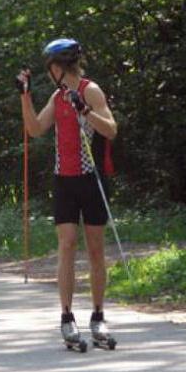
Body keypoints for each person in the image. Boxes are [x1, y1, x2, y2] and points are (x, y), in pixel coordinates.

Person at [16, 39, 118, 348]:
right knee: (67, 244)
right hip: (64, 179)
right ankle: (66, 317)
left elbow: (111, 129)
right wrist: (25, 95)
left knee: (96, 249)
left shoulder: (91, 90)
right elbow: (35, 129)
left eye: (50, 69)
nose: (49, 74)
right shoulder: (57, 96)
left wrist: (85, 110)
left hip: (91, 178)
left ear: (58, 68)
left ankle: (98, 316)